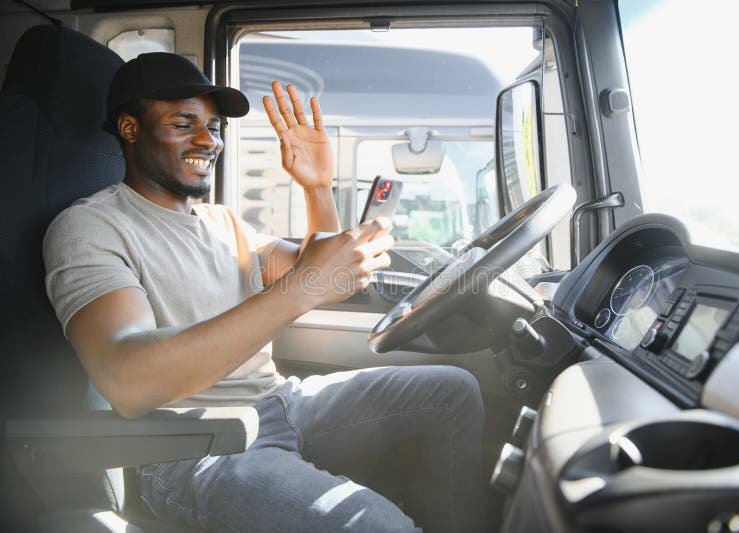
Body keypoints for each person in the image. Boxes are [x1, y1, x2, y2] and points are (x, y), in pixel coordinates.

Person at [43, 52, 488, 533]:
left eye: (214, 127)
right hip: (191, 443)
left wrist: (317, 188)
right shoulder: (90, 226)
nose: (206, 140)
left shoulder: (221, 221)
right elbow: (129, 381)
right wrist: (301, 288)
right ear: (130, 129)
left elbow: (330, 282)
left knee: (453, 392)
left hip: (278, 404)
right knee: (376, 526)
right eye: (183, 123)